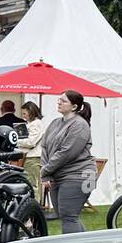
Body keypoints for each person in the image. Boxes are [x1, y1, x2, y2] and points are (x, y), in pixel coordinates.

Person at [40, 89, 95, 234]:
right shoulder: (55, 123)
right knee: (66, 215)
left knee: (69, 216)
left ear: (74, 106)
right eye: (59, 100)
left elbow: (67, 152)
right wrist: (46, 172)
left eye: (63, 101)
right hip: (57, 175)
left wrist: (45, 170)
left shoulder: (80, 125)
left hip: (79, 175)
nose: (59, 102)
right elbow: (44, 147)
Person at [15, 100, 47, 198]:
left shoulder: (36, 123)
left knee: (32, 184)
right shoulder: (33, 123)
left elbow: (31, 142)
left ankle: (34, 204)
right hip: (31, 156)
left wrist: (16, 141)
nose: (23, 116)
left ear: (31, 112)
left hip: (33, 157)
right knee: (31, 183)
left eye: (25, 113)